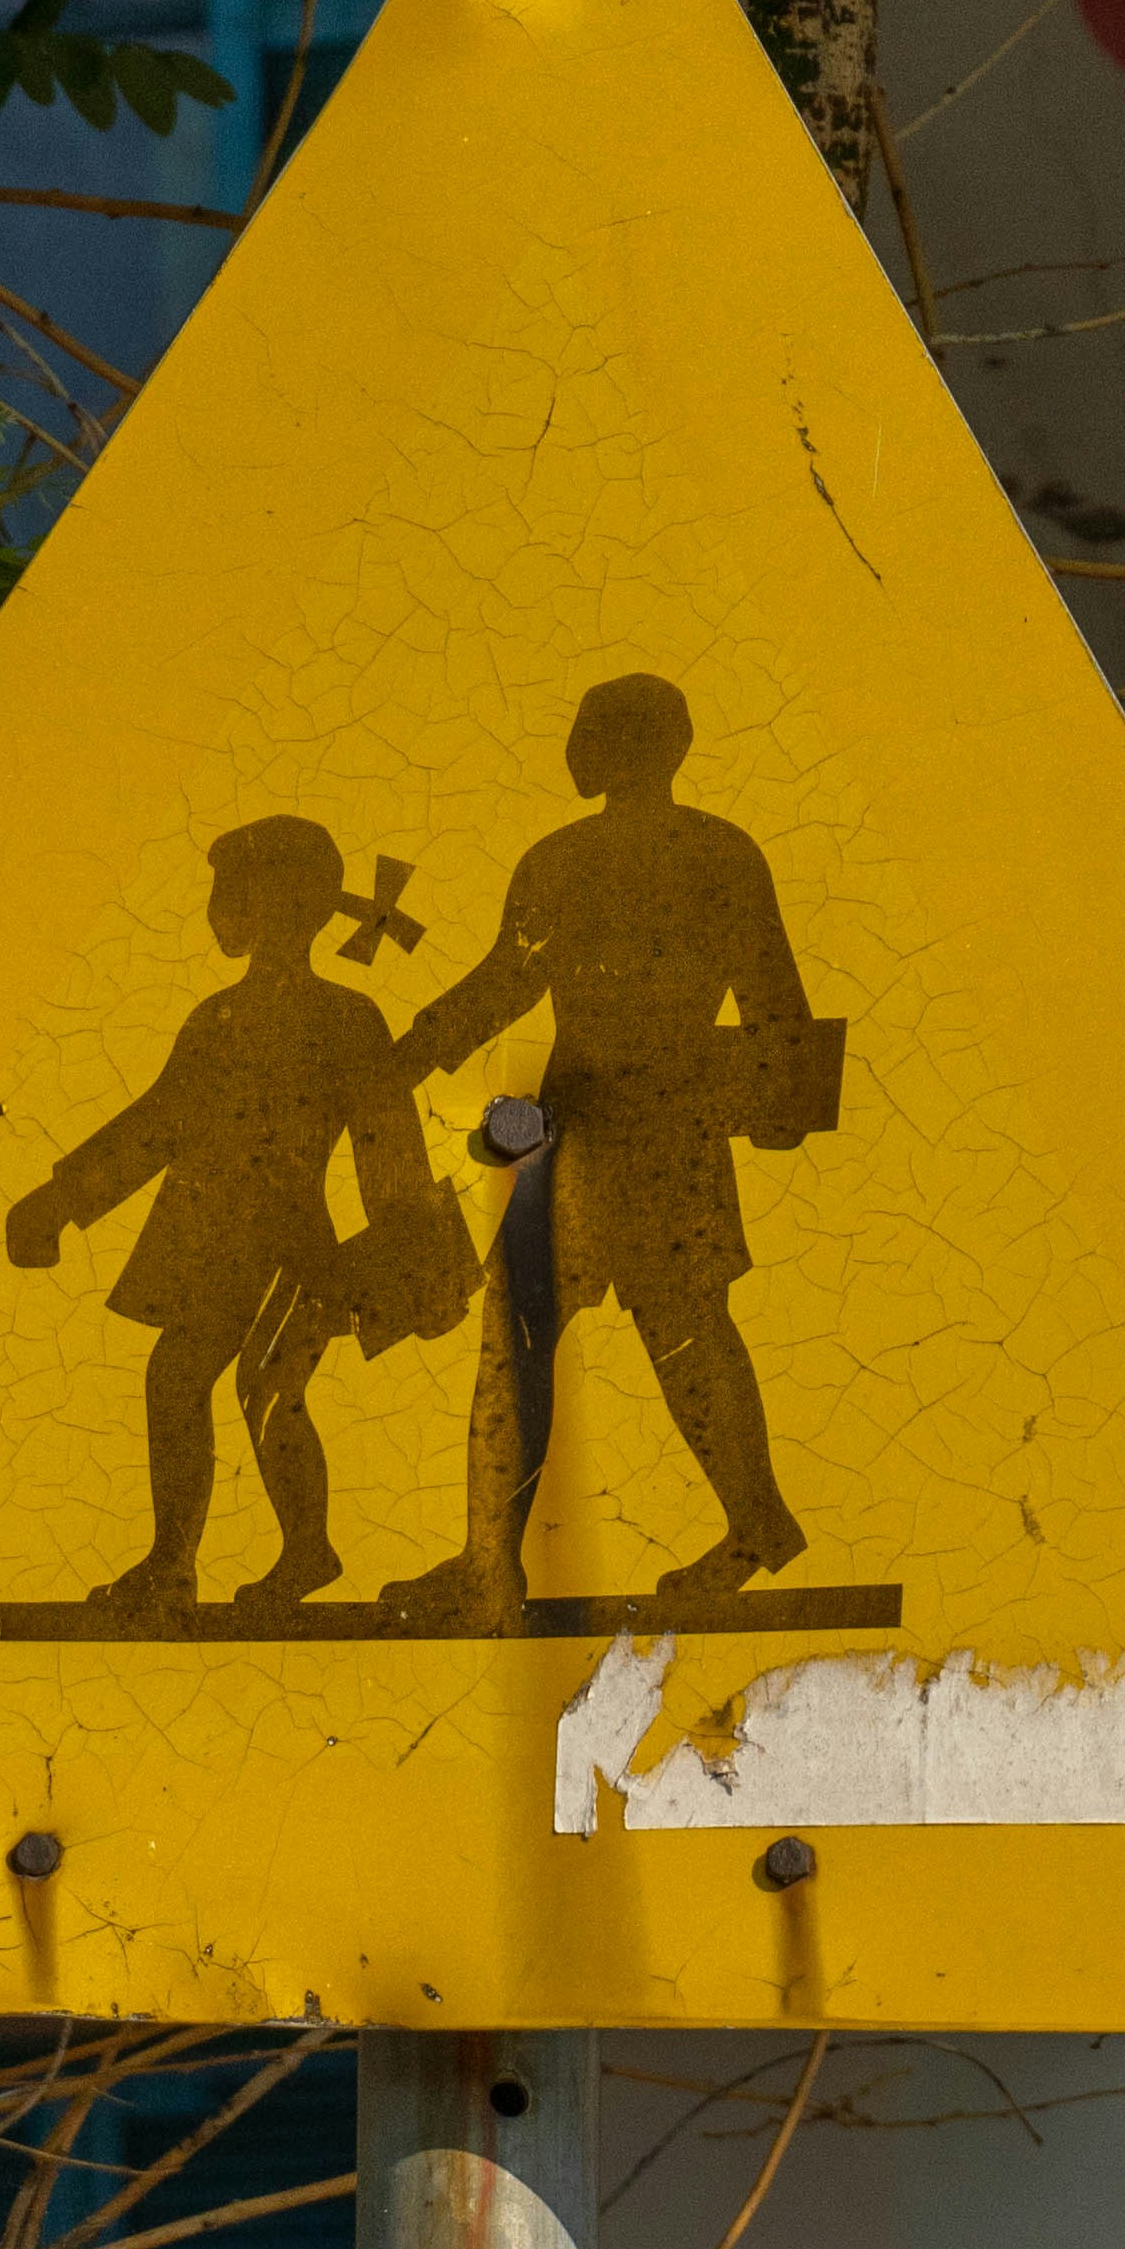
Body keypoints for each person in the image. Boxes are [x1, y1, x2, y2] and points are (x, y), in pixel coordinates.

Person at [390, 673, 841, 1614]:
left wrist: (414, 1049)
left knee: (587, 1339)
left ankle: (506, 1562)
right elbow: (772, 1001)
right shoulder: (715, 851)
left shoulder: (582, 858)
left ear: (609, 748)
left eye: (585, 732)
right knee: (658, 1333)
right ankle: (502, 1560)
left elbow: (504, 984)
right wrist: (420, 1047)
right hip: (603, 1125)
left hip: (615, 1127)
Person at [4, 815, 466, 1618]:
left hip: (293, 1246)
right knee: (178, 1381)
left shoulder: (345, 1019)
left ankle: (301, 1550)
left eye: (233, 892)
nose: (219, 910)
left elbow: (387, 1145)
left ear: (283, 904)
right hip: (212, 1241)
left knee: (266, 1383)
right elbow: (155, 1123)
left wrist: (418, 1263)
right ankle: (175, 1561)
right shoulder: (217, 1018)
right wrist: (59, 1201)